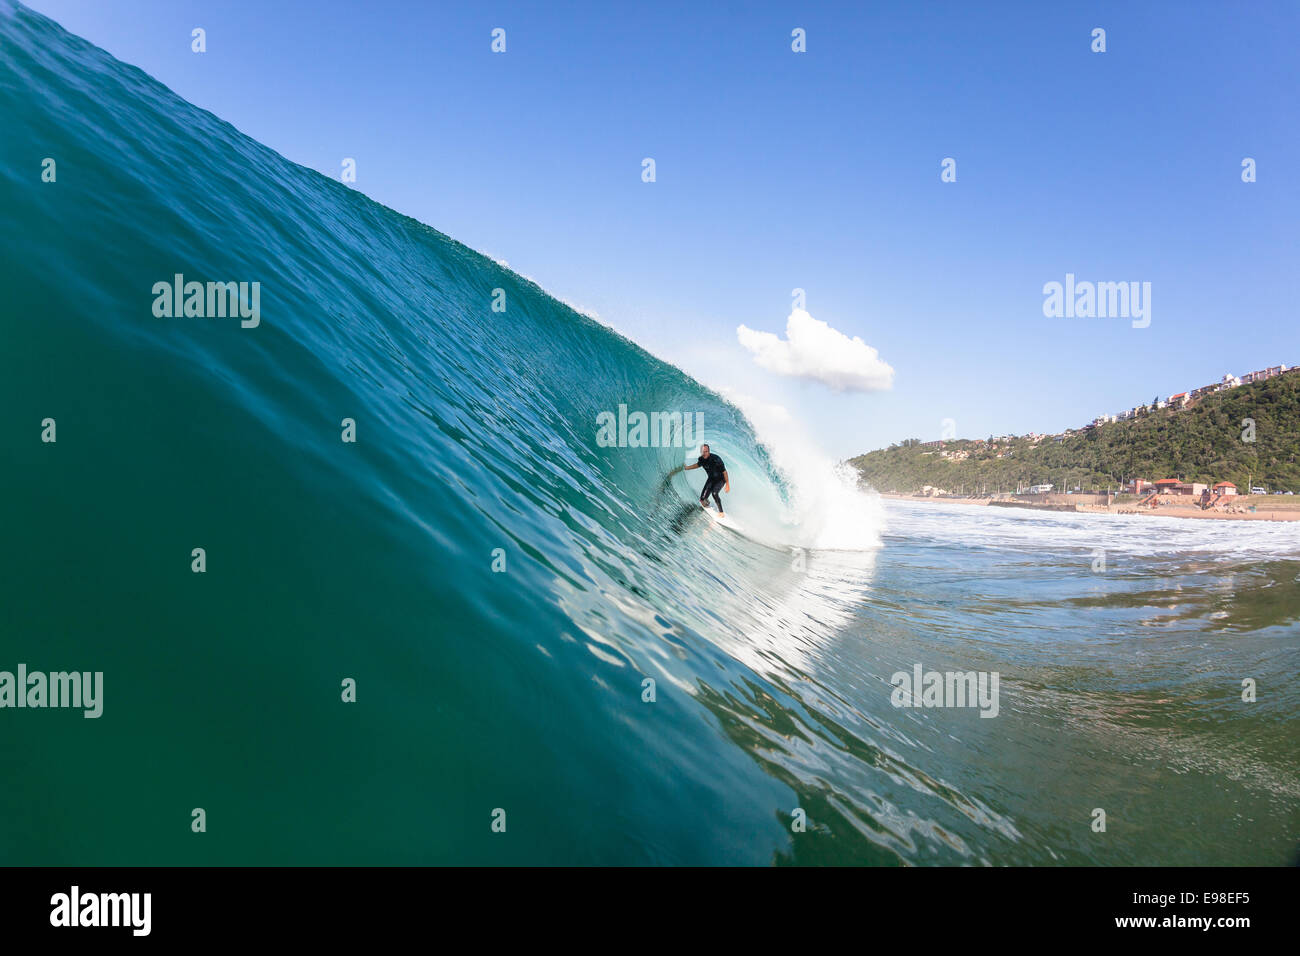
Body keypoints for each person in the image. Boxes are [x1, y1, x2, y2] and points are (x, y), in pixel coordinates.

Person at [684, 443, 729, 516]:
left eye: (706, 451)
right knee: (702, 500)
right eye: (703, 452)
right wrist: (687, 468)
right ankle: (707, 502)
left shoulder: (716, 459)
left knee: (714, 493)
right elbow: (697, 465)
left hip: (721, 479)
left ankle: (721, 512)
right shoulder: (701, 459)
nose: (704, 453)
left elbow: (724, 472)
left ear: (709, 451)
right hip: (711, 479)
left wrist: (727, 484)